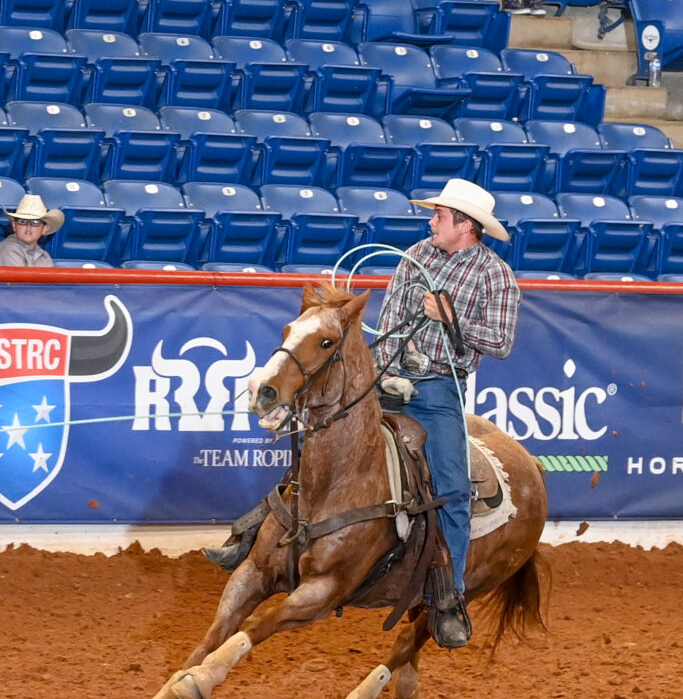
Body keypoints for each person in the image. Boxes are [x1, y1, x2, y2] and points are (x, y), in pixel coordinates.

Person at [202, 179, 521, 653]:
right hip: (389, 379)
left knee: (451, 488)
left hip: (438, 390)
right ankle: (253, 534)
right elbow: (389, 320)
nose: (431, 221)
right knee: (322, 444)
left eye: (440, 215)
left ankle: (448, 596)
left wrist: (449, 318)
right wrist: (380, 373)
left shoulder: (495, 275)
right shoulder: (418, 256)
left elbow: (501, 343)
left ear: (466, 225)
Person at [0, 194, 61, 267]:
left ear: (44, 229)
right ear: (14, 225)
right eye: (22, 222)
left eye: (35, 222)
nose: (28, 227)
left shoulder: (44, 256)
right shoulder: (7, 251)